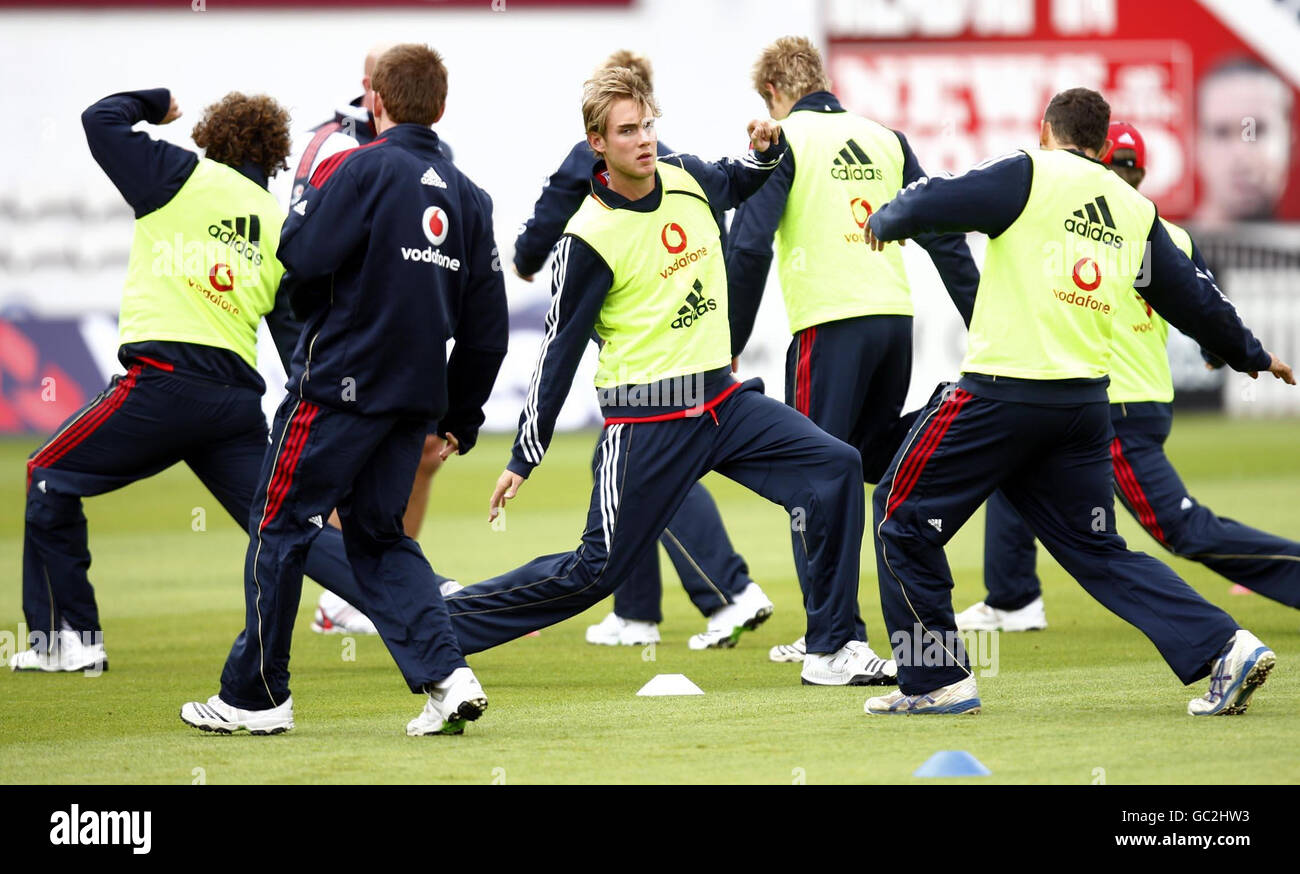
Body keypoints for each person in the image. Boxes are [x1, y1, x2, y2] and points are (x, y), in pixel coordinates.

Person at [441, 67, 891, 687]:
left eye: (648, 125)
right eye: (627, 131)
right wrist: (525, 453)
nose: (644, 140)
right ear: (597, 143)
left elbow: (742, 180)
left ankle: (832, 646)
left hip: (723, 403)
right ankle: (439, 622)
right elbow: (558, 350)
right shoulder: (588, 238)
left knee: (836, 468)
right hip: (647, 420)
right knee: (595, 572)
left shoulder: (687, 178)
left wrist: (769, 149)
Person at [860, 88, 1293, 716]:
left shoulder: (1028, 172)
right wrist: (1252, 355)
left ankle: (936, 681)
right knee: (1098, 551)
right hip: (1085, 411)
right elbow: (1194, 300)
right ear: (1102, 140)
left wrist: (888, 219)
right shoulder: (1134, 209)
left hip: (1001, 395)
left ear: (1046, 131)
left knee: (900, 516)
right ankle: (1226, 647)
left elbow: (938, 197)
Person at [180, 44, 509, 736]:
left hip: (337, 390)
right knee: (380, 539)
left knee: (278, 524)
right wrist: (460, 415)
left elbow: (298, 255)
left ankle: (257, 696)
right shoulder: (472, 198)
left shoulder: (360, 168)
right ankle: (449, 679)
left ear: (376, 103)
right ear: (442, 106)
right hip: (412, 402)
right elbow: (487, 333)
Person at [11, 87, 365, 673]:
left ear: (212, 137)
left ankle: (69, 641)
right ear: (274, 155)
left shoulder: (177, 173)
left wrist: (158, 103)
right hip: (232, 408)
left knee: (48, 476)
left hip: (161, 386)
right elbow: (299, 348)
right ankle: (421, 603)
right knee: (281, 522)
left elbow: (99, 120)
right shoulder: (280, 225)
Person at [960, 121, 1300, 633]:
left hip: (1116, 406)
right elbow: (1205, 304)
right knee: (1011, 468)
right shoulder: (1166, 233)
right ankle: (1012, 599)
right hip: (1127, 402)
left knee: (1181, 528)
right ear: (1139, 171)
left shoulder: (1066, 221)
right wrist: (1220, 352)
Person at [726, 36, 979, 670]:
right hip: (895, 325)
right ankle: (950, 429)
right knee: (864, 456)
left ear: (775, 96)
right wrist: (984, 316)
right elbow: (942, 235)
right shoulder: (885, 138)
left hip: (828, 328)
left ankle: (829, 638)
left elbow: (751, 247)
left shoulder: (785, 140)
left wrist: (727, 340)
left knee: (814, 474)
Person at [514, 49, 772, 651]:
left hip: (649, 355)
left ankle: (729, 591)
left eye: (641, 123)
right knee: (626, 470)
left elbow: (551, 212)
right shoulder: (676, 167)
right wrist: (723, 330)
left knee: (645, 473)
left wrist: (527, 261)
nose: (639, 135)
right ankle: (638, 612)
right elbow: (724, 240)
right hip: (690, 342)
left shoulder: (611, 160)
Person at [289, 41, 461, 637]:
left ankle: (381, 595)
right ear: (366, 84)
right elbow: (302, 259)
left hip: (408, 350)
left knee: (418, 463)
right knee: (331, 478)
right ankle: (345, 597)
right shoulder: (329, 144)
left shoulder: (437, 158)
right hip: (340, 350)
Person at [1195, 58, 1295, 225]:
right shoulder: (1155, 249)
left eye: (1257, 130)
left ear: (1292, 142)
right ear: (1195, 146)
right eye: (1222, 133)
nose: (1242, 153)